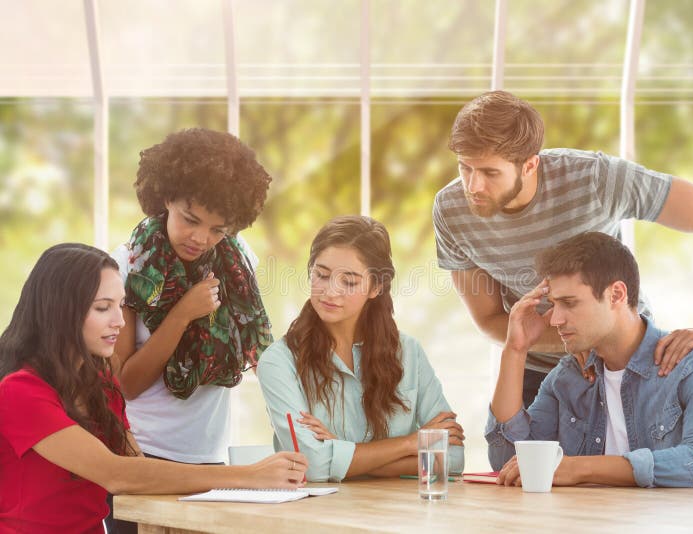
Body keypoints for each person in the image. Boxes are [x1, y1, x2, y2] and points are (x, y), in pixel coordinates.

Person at [433, 90, 693, 405]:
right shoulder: (451, 211)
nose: (473, 186)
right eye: (465, 168)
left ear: (530, 166)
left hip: (625, 360)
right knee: (513, 453)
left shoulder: (595, 179)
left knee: (641, 456)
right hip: (541, 372)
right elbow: (489, 319)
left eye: (490, 173)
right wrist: (571, 338)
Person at [0, 244, 307, 533]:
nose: (120, 321)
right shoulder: (19, 392)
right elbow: (116, 474)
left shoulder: (99, 383)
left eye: (121, 305)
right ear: (60, 311)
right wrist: (249, 476)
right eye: (103, 308)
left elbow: (138, 468)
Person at [486, 232, 693, 488]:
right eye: (553, 304)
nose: (554, 319)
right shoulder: (568, 377)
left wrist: (579, 469)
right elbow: (508, 462)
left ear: (616, 294)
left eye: (569, 303)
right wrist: (515, 349)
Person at [258, 216, 465, 482]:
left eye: (349, 281)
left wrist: (343, 453)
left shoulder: (409, 353)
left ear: (376, 287)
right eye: (321, 275)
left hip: (402, 517)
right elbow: (313, 467)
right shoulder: (279, 362)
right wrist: (409, 443)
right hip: (317, 514)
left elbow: (454, 459)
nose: (330, 292)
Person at [111, 127, 273, 466]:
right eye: (190, 220)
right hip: (141, 453)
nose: (201, 238)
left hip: (211, 456)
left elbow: (257, 351)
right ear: (167, 197)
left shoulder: (236, 259)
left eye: (218, 229)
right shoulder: (127, 267)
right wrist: (183, 315)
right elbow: (125, 385)